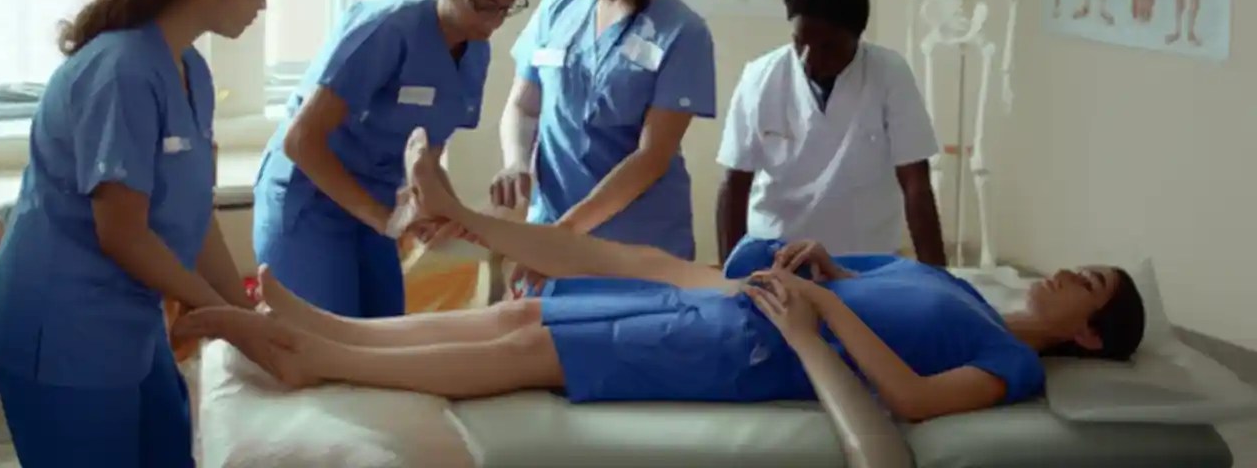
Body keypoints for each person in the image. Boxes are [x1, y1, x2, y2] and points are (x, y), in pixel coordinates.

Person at [174, 127, 1146, 425]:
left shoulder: (1008, 363)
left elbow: (910, 397)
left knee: (528, 346)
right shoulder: (964, 289)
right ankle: (328, 333)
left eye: (1088, 283)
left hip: (758, 346)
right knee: (540, 308)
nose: (1066, 271)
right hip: (758, 296)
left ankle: (322, 355)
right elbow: (868, 273)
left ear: (1089, 336)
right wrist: (827, 267)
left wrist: (817, 317)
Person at [0, 0, 276, 467]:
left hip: (129, 323)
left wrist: (245, 317)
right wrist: (225, 318)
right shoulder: (121, 72)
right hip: (61, 324)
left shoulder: (193, 73)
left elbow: (195, 214)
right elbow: (123, 234)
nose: (263, 6)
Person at [253, 0, 540, 318]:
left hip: (379, 203)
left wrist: (448, 214)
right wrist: (384, 219)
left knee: (383, 336)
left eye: (507, 8)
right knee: (323, 342)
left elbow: (426, 158)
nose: (493, 21)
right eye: (483, 4)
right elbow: (301, 141)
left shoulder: (476, 50)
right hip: (310, 199)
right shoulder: (386, 30)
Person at [490, 0, 716, 295]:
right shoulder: (558, 10)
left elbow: (651, 158)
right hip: (551, 229)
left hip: (636, 246)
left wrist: (565, 237)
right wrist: (516, 160)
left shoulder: (681, 32)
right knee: (535, 351)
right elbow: (523, 106)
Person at [715, 0, 946, 266]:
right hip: (776, 257)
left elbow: (916, 184)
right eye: (801, 43)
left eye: (828, 47)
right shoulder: (760, 77)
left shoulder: (889, 74)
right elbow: (734, 184)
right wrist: (731, 274)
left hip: (865, 260)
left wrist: (939, 279)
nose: (810, 60)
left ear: (857, 37)